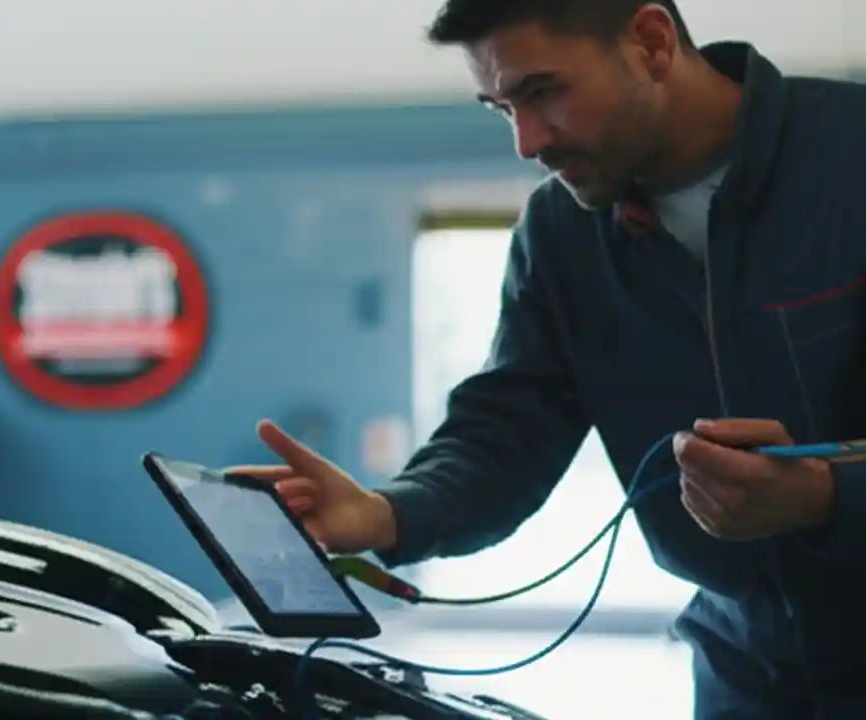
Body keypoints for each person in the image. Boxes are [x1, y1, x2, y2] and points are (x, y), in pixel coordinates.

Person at [234, 1, 866, 717]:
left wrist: (829, 495)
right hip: (750, 675)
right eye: (501, 108)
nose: (526, 142)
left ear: (652, 42)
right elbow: (505, 434)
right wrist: (386, 513)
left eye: (542, 93)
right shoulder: (561, 233)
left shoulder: (852, 154)